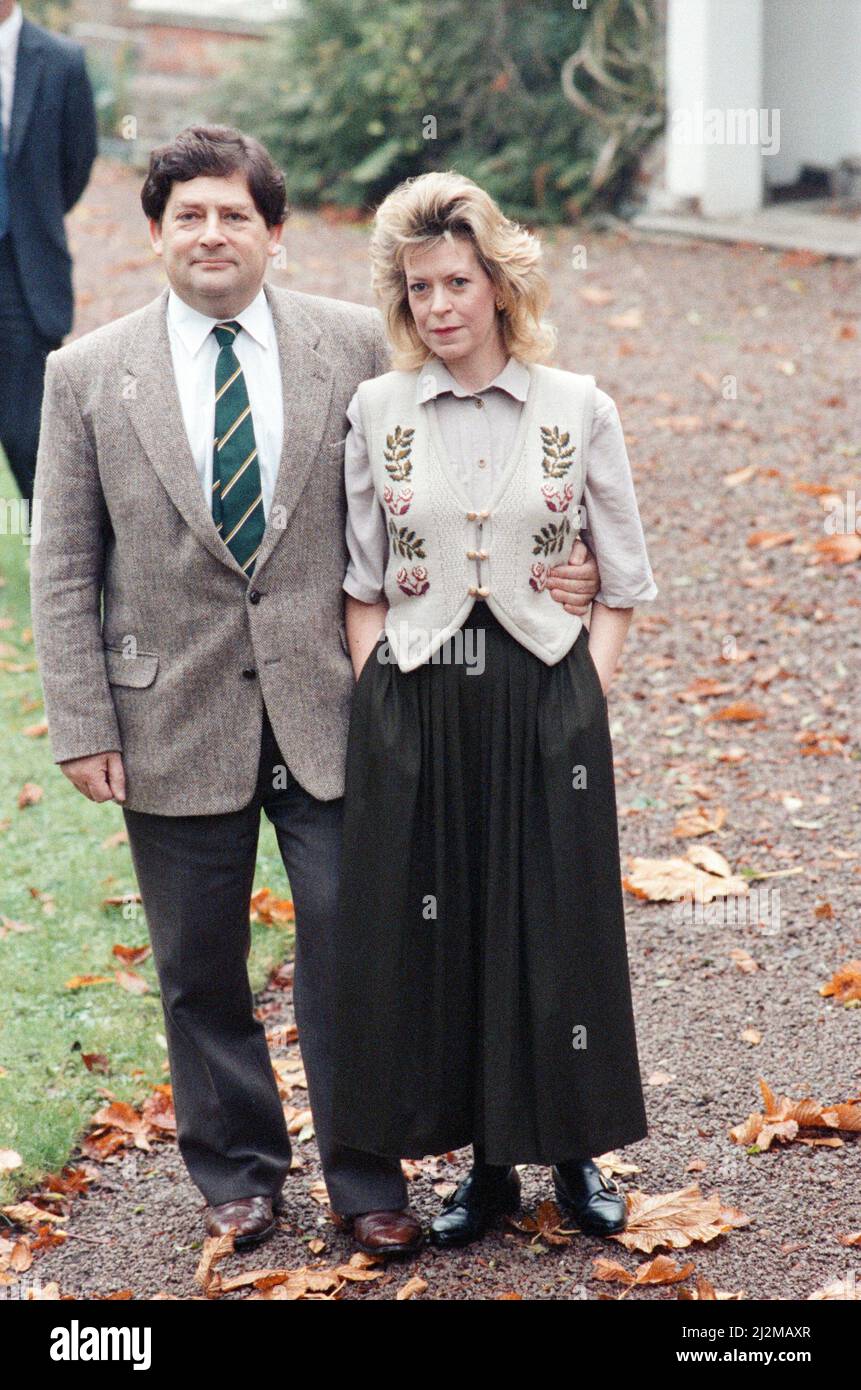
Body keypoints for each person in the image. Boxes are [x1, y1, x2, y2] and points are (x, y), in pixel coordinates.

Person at [28, 128, 600, 1257]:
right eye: (188, 214)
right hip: (166, 717)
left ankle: (366, 1175)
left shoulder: (351, 347)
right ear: (155, 233)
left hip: (339, 709)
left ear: (275, 235)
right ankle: (238, 1173)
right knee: (199, 966)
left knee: (358, 950)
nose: (211, 233)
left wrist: (563, 556)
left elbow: (468, 454)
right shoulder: (85, 374)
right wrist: (83, 720)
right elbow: (60, 563)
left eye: (235, 215)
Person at [332, 170, 658, 1249]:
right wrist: (385, 697)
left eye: (458, 282)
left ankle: (577, 1149)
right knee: (452, 923)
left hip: (543, 695)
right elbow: (362, 581)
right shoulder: (379, 411)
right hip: (422, 698)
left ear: (499, 287)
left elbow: (623, 580)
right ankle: (488, 1166)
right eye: (420, 287)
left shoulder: (579, 406)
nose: (440, 306)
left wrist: (583, 693)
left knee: (557, 922)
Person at [0, 0, 97, 503]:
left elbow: (76, 162)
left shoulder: (62, 61)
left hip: (24, 272)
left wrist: (31, 217)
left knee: (28, 437)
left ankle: (57, 569)